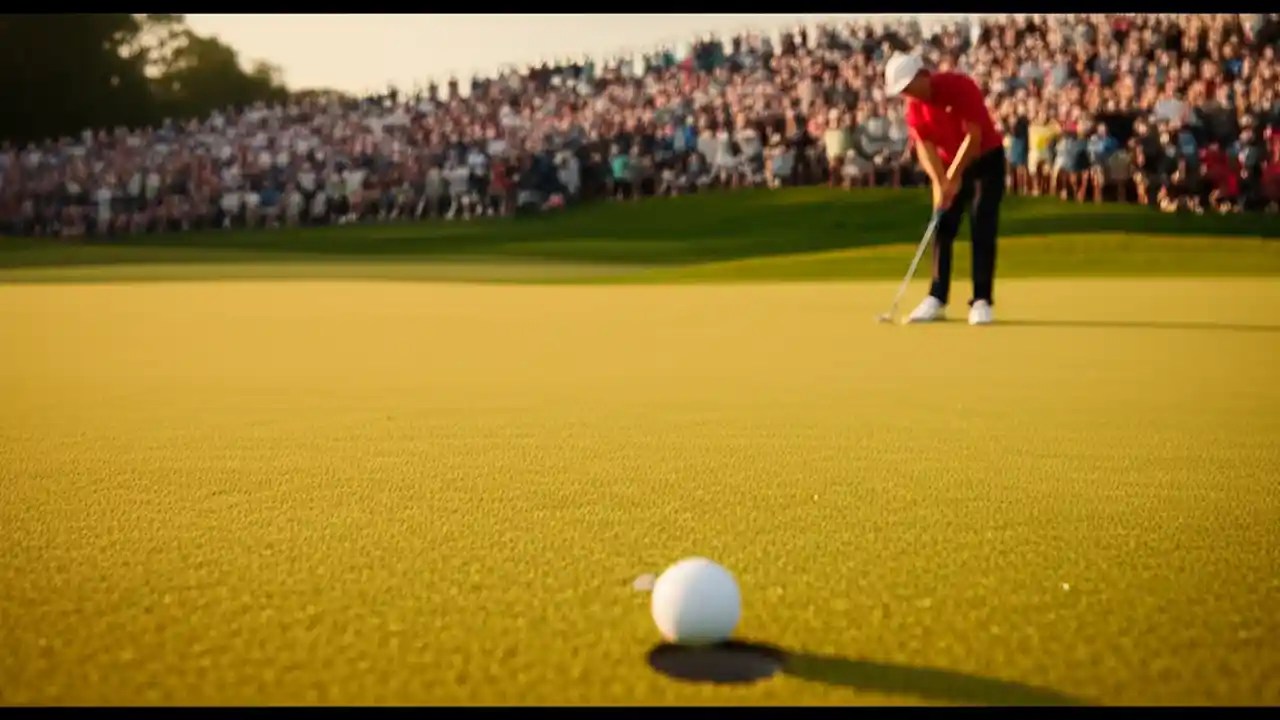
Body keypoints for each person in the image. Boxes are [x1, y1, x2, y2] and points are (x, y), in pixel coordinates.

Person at [884, 51, 1006, 326]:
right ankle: (937, 297)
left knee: (981, 225)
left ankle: (981, 300)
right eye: (901, 91)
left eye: (907, 87)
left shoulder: (959, 86)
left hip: (986, 159)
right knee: (943, 226)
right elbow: (925, 147)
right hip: (948, 163)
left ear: (922, 76)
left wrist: (953, 177)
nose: (906, 94)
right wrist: (940, 184)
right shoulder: (913, 105)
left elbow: (974, 139)